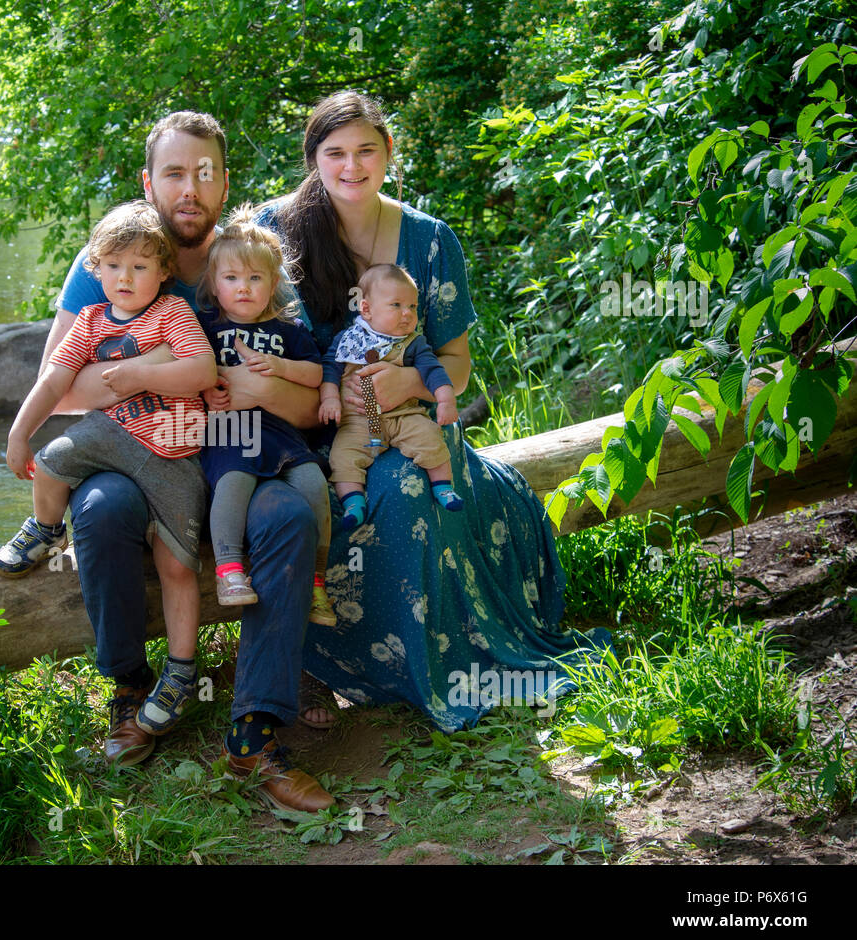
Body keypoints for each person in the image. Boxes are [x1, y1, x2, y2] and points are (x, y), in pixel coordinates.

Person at [249, 91, 610, 731]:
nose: (352, 167)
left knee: (413, 483)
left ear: (389, 152)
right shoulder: (275, 237)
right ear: (312, 160)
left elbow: (458, 362)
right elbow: (252, 334)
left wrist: (410, 386)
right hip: (306, 424)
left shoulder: (430, 240)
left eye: (367, 150)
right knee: (338, 488)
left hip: (412, 421)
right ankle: (317, 661)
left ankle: (425, 660)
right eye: (335, 153)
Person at [36, 111, 334, 811]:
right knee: (102, 507)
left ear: (224, 183)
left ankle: (254, 733)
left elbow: (306, 389)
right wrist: (158, 375)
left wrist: (255, 386)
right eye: (174, 173)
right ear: (150, 182)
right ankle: (132, 687)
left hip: (244, 446)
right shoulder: (115, 256)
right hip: (146, 450)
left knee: (290, 513)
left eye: (204, 172)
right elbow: (61, 388)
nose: (189, 188)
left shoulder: (252, 256)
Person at [0, 200, 218, 736]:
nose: (126, 277)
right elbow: (54, 382)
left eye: (140, 267)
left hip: (174, 447)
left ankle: (182, 672)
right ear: (95, 267)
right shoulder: (91, 321)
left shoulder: (171, 314)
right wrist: (19, 432)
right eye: (114, 265)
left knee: (179, 564)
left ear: (163, 273)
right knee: (48, 463)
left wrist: (136, 370)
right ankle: (46, 531)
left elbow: (202, 370)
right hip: (114, 436)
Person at [195, 204, 335, 626]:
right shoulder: (204, 329)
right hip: (229, 431)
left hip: (282, 432)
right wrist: (208, 386)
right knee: (234, 482)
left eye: (255, 278)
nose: (243, 288)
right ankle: (229, 569)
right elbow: (185, 366)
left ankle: (316, 580)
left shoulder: (288, 330)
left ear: (274, 283)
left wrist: (282, 368)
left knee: (314, 485)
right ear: (214, 285)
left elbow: (318, 373)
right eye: (232, 278)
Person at [320, 263, 463, 527]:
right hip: (357, 421)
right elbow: (329, 369)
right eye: (396, 305)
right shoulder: (348, 339)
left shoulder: (413, 343)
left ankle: (443, 487)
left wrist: (446, 400)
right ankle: (353, 503)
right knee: (343, 456)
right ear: (366, 309)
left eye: (412, 307)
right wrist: (329, 398)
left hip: (403, 415)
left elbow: (434, 372)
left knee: (429, 436)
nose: (407, 314)